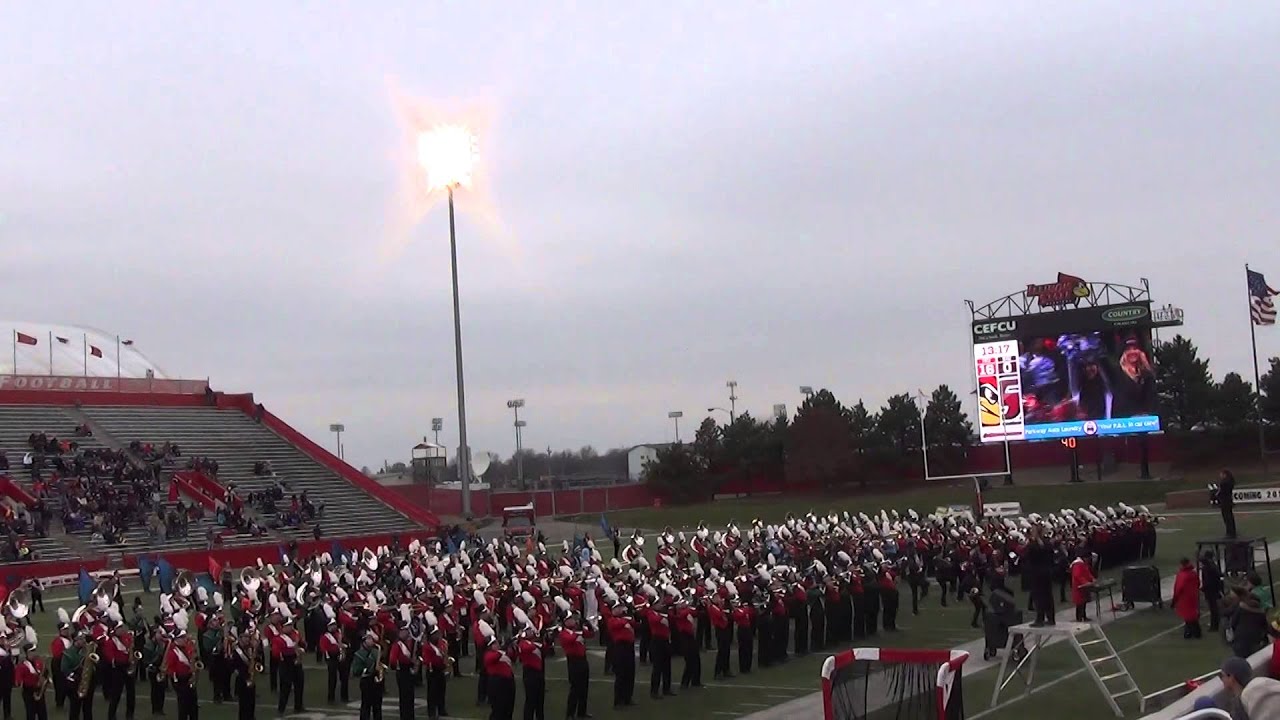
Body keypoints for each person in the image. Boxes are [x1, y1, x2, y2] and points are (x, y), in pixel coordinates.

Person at [558, 613, 593, 720]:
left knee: (584, 688)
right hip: (574, 662)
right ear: (565, 622)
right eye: (570, 619)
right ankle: (570, 714)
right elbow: (571, 639)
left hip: (583, 660)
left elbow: (591, 634)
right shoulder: (564, 633)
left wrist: (588, 624)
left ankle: (582, 712)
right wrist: (580, 630)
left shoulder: (576, 631)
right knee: (575, 689)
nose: (573, 620)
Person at [270, 614, 305, 714]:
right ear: (282, 627)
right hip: (286, 664)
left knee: (299, 685)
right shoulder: (278, 639)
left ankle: (298, 706)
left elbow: (303, 644)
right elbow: (276, 653)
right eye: (288, 625)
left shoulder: (295, 634)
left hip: (297, 663)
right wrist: (294, 650)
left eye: (291, 625)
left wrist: (301, 646)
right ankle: (281, 709)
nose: (290, 627)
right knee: (286, 688)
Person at [1024, 528, 1056, 627]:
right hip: (1047, 572)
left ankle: (1040, 619)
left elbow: (1028, 556)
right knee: (1048, 595)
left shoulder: (1032, 545)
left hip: (1037, 573)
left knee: (1038, 596)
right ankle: (1051, 618)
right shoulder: (1048, 543)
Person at [163, 629, 198, 720]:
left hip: (189, 677)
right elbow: (170, 669)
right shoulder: (173, 652)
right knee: (183, 705)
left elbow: (193, 658)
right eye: (182, 637)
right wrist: (178, 680)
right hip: (180, 680)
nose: (185, 639)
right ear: (176, 639)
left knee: (193, 704)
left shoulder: (187, 647)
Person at [607, 603, 635, 709]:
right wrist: (625, 621)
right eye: (617, 608)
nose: (619, 609)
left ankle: (628, 697)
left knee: (630, 673)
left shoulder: (623, 618)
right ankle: (618, 701)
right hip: (620, 647)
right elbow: (615, 625)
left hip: (628, 647)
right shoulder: (611, 620)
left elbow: (633, 622)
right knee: (621, 675)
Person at [350, 633, 382, 720]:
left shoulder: (376, 651)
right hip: (366, 681)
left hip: (376, 681)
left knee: (377, 705)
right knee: (366, 705)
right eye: (368, 639)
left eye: (371, 639)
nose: (371, 641)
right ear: (364, 642)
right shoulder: (358, 654)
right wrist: (369, 670)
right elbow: (356, 670)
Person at [1172, 557, 1202, 639]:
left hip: (1184, 598)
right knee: (1192, 614)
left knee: (1188, 616)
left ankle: (1190, 632)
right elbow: (1198, 583)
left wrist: (1174, 600)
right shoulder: (1193, 573)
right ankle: (1193, 632)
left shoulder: (1182, 575)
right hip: (1193, 597)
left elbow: (1178, 588)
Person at [319, 618, 346, 704]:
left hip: (340, 657)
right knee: (332, 679)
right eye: (332, 625)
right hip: (331, 658)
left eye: (334, 624)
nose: (334, 626)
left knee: (344, 678)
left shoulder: (338, 634)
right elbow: (323, 648)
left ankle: (344, 696)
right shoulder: (325, 636)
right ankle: (331, 698)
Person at [230, 633, 256, 720]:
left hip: (251, 677)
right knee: (244, 703)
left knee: (252, 701)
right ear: (240, 638)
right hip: (242, 678)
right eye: (245, 637)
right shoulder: (236, 651)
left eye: (248, 637)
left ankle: (251, 717)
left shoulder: (250, 649)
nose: (247, 639)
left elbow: (255, 660)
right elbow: (232, 666)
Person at [16, 644, 46, 720]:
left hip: (39, 690)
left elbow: (44, 672)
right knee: (30, 714)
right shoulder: (22, 666)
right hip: (28, 692)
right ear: (27, 653)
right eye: (32, 651)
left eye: (34, 650)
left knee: (42, 713)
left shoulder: (39, 662)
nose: (35, 653)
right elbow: (18, 681)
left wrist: (44, 678)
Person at [1200, 551, 1225, 632]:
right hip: (1215, 589)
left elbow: (1208, 581)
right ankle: (1215, 624)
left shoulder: (1207, 568)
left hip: (1210, 591)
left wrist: (1203, 588)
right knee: (1215, 608)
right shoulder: (1214, 566)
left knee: (1213, 609)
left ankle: (1214, 626)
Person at [1070, 553, 1096, 622]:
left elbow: (1087, 573)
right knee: (1079, 603)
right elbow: (1077, 575)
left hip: (1084, 586)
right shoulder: (1077, 564)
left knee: (1084, 602)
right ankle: (1079, 618)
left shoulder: (1083, 564)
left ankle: (1084, 616)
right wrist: (1085, 582)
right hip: (1078, 586)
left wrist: (1092, 579)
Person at [1219, 469, 1238, 538]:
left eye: (1221, 474)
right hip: (1228, 501)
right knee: (1229, 516)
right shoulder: (1230, 482)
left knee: (1227, 517)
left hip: (1225, 501)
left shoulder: (1225, 483)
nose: (1220, 476)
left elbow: (1222, 492)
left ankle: (1230, 532)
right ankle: (1232, 531)